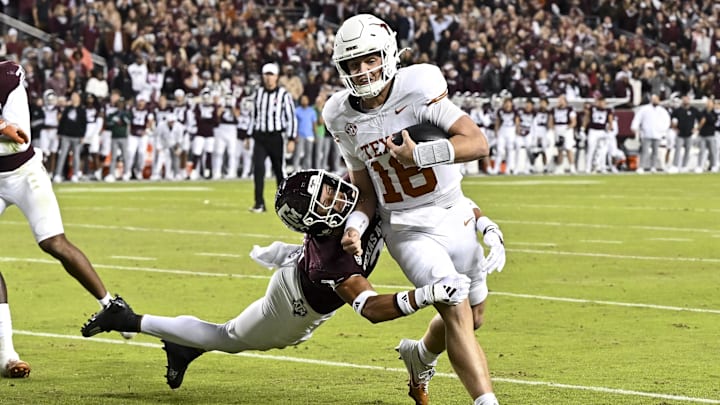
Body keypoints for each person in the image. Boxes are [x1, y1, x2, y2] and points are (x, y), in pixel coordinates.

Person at [80, 169, 484, 394]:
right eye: (326, 200)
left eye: (329, 187)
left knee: (226, 336)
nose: (337, 194)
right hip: (293, 306)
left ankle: (183, 348)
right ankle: (126, 318)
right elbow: (372, 309)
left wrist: (479, 220)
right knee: (227, 337)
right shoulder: (333, 258)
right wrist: (428, 294)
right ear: (317, 220)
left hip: (299, 269)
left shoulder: (350, 203)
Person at [323, 14, 500, 405]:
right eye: (353, 63)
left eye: (370, 59)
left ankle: (420, 355)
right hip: (406, 227)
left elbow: (476, 143)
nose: (362, 70)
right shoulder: (340, 115)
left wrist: (421, 154)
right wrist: (355, 226)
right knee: (454, 307)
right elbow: (364, 191)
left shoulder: (419, 85)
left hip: (453, 211)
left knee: (474, 316)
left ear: (388, 54)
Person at [0, 59, 133, 378]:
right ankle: (7, 355)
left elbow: (18, 139)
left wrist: (3, 127)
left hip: (24, 172)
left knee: (54, 242)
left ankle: (111, 306)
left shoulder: (8, 74)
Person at [247, 63, 297, 213]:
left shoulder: (283, 95)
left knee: (279, 171)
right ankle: (259, 203)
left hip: (276, 137)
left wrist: (291, 138)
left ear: (276, 77)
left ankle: (284, 204)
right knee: (258, 170)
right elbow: (253, 116)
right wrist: (248, 135)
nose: (268, 78)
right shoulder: (258, 94)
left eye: (271, 75)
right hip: (260, 137)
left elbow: (291, 117)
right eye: (266, 75)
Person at [631, 94, 671, 174]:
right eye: (653, 99)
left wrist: (663, 131)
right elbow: (638, 118)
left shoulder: (662, 111)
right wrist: (634, 127)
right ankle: (641, 167)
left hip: (658, 134)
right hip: (646, 133)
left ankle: (653, 167)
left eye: (656, 99)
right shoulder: (644, 109)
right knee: (644, 151)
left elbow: (667, 121)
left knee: (655, 152)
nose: (655, 101)